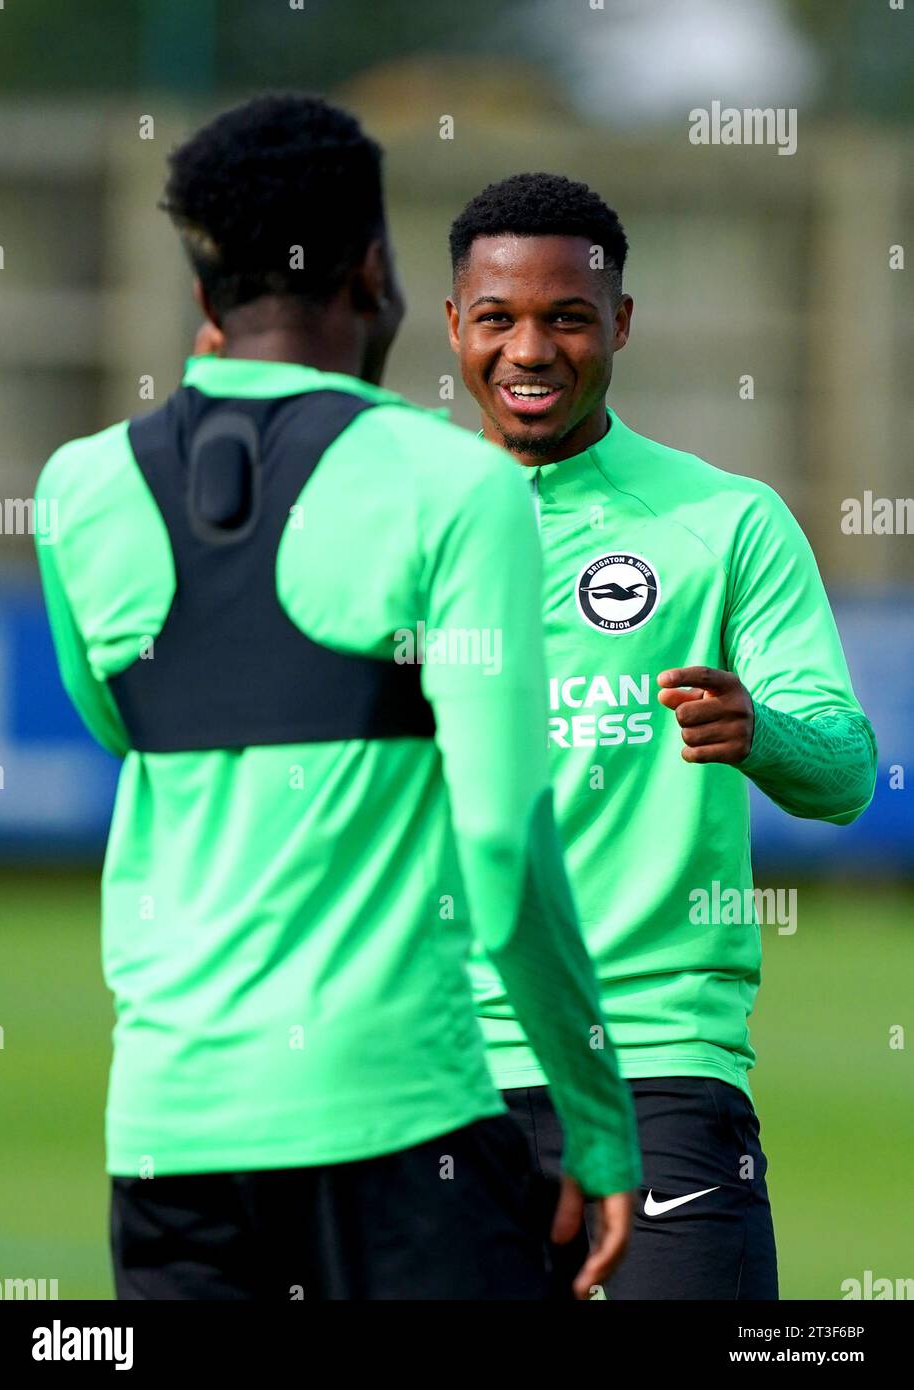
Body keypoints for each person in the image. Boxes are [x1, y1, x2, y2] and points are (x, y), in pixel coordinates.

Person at [33, 100, 640, 1301]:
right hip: (400, 1123)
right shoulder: (456, 487)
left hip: (170, 1136)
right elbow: (502, 837)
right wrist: (594, 1114)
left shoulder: (79, 485)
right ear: (373, 267)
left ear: (206, 286)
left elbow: (120, 730)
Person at [446, 172, 878, 1300]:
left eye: (566, 318)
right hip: (436, 1073)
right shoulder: (399, 533)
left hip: (656, 1066)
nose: (528, 350)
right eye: (496, 318)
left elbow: (843, 774)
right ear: (453, 325)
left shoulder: (723, 521)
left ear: (620, 324)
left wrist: (759, 730)